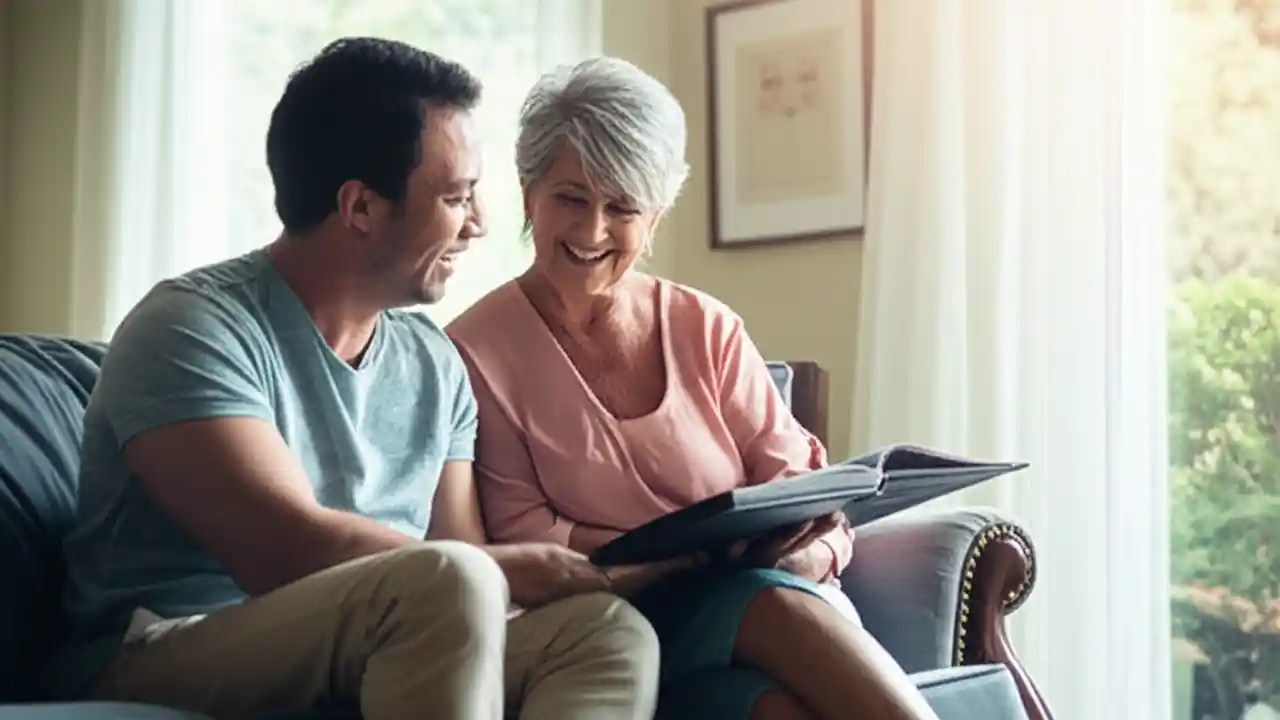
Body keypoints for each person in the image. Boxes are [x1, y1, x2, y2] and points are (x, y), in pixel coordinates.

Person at [43, 38, 671, 720]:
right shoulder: (189, 329)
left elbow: (459, 560)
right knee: (449, 578)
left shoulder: (434, 363)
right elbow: (286, 548)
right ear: (361, 208)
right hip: (165, 648)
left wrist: (626, 570)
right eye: (457, 197)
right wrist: (505, 566)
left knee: (600, 633)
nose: (482, 224)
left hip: (382, 629)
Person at [446, 57, 942, 720]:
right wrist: (687, 561)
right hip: (613, 618)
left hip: (765, 604)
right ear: (529, 189)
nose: (593, 231)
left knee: (774, 705)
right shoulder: (473, 352)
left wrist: (806, 554)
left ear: (655, 216)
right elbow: (525, 535)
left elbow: (806, 492)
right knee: (768, 610)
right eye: (571, 198)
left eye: (621, 207)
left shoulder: (705, 326)